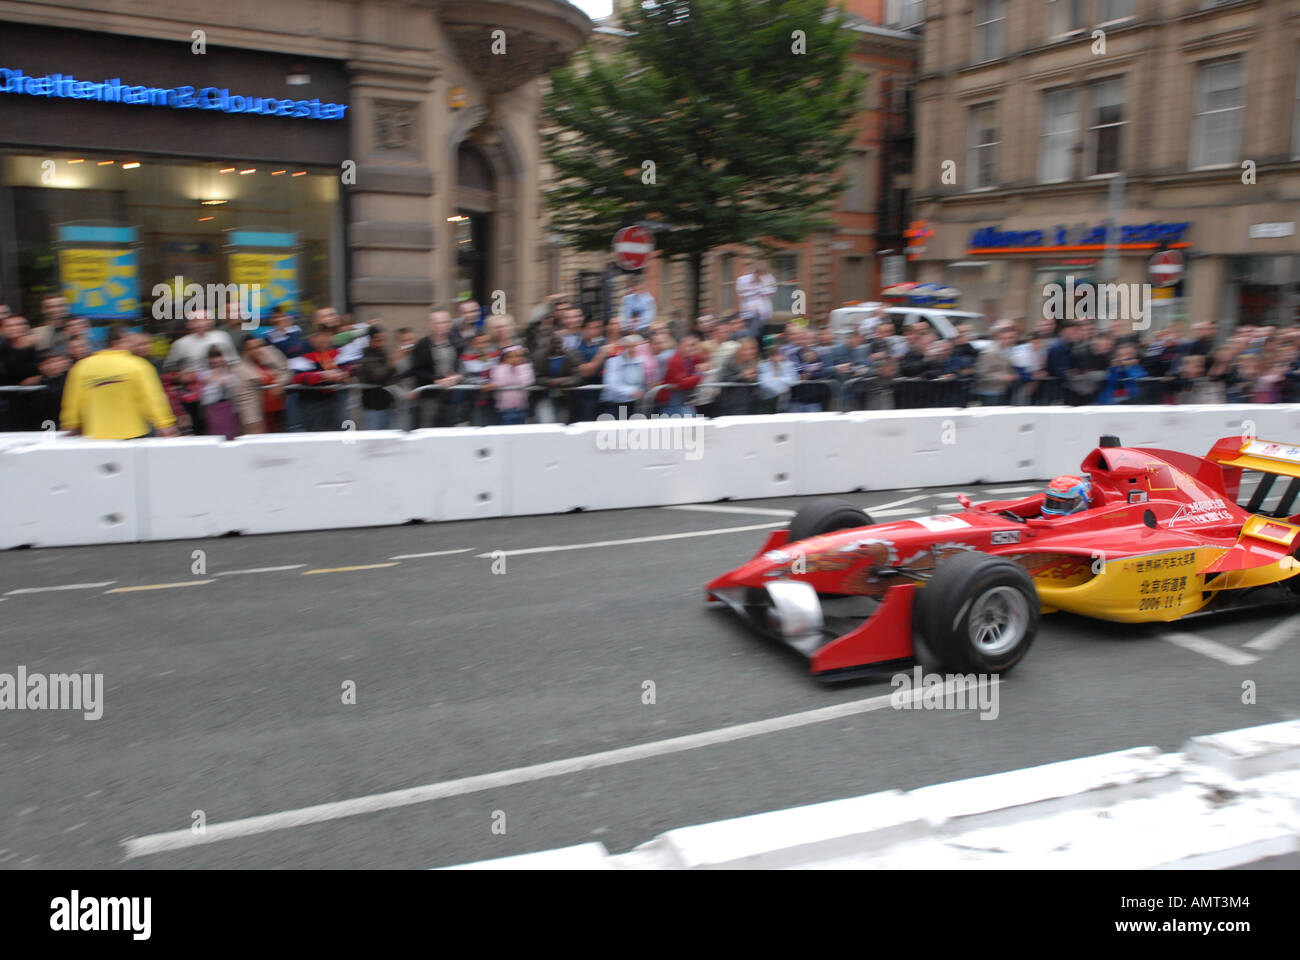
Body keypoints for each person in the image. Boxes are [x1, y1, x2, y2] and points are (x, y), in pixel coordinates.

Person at [60, 325, 178, 439]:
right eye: (130, 341)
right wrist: (165, 424)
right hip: (133, 433)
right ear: (121, 339)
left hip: (95, 434)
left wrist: (71, 424)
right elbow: (152, 397)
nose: (134, 345)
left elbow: (72, 400)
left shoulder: (82, 367)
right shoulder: (138, 365)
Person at [290, 325, 350, 431]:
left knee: (336, 431)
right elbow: (296, 377)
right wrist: (322, 376)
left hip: (333, 400)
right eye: (323, 336)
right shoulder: (301, 351)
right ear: (313, 337)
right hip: (311, 402)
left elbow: (347, 366)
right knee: (316, 433)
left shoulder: (335, 350)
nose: (327, 339)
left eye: (328, 336)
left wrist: (344, 374)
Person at [410, 309, 463, 428]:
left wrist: (457, 376)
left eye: (447, 322)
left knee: (449, 428)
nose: (445, 326)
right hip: (429, 397)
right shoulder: (422, 345)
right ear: (431, 325)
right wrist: (435, 380)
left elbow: (461, 365)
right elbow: (416, 370)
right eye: (440, 322)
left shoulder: (456, 343)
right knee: (428, 428)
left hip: (450, 396)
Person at [354, 327, 399, 430]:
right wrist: (392, 361)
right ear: (369, 340)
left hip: (387, 403)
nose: (381, 343)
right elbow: (378, 376)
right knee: (372, 438)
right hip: (373, 406)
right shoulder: (365, 357)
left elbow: (392, 374)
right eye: (378, 340)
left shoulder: (383, 354)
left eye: (383, 340)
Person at [600, 334, 649, 416]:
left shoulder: (640, 362)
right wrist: (632, 391)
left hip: (633, 403)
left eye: (635, 346)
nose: (632, 349)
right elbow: (612, 384)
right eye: (629, 347)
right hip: (615, 404)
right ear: (622, 348)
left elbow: (640, 383)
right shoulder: (613, 362)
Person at [198, 345, 240, 439]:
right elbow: (206, 386)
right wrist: (217, 374)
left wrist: (222, 374)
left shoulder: (229, 372)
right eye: (213, 358)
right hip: (213, 408)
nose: (217, 361)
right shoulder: (204, 373)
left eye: (219, 357)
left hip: (228, 407)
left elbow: (233, 384)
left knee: (231, 433)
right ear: (209, 360)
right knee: (216, 435)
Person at [489, 344, 535, 425]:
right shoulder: (499, 368)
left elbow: (525, 382)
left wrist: (520, 367)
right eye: (511, 357)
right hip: (505, 408)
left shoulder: (525, 368)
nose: (515, 359)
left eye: (518, 356)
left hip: (521, 406)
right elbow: (500, 381)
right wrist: (508, 367)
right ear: (504, 359)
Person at [736, 258, 777, 340]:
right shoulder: (742, 280)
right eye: (758, 274)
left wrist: (759, 289)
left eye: (763, 274)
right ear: (754, 272)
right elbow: (740, 293)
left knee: (760, 334)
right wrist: (756, 291)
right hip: (748, 310)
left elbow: (771, 292)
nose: (761, 277)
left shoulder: (769, 278)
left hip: (764, 311)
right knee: (753, 333)